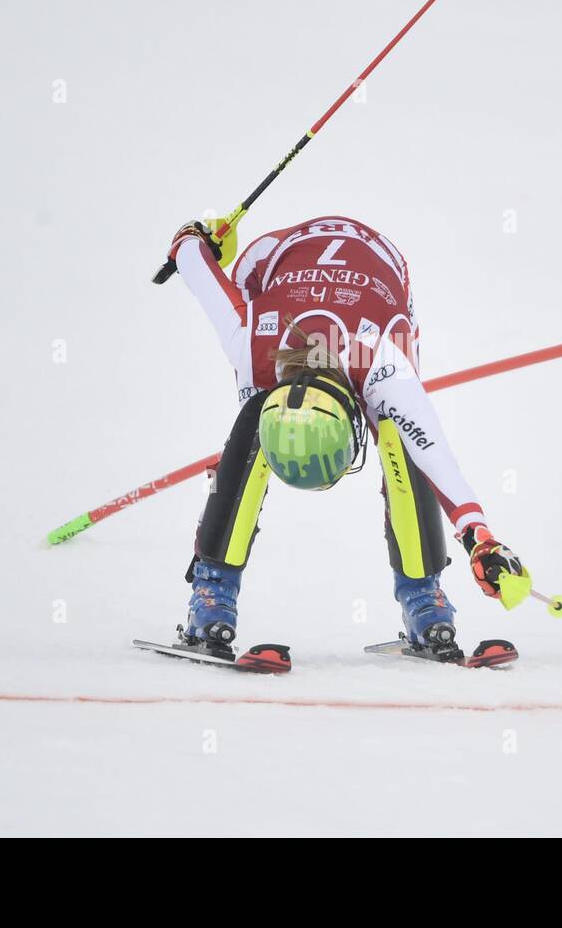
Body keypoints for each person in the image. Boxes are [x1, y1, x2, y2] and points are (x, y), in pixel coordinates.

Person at [166, 214, 531, 660]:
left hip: (381, 265)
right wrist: (199, 239)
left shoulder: (386, 364)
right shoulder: (248, 338)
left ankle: (423, 596)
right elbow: (194, 263)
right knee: (254, 418)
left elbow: (434, 453)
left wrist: (480, 537)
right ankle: (212, 591)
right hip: (270, 260)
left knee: (400, 437)